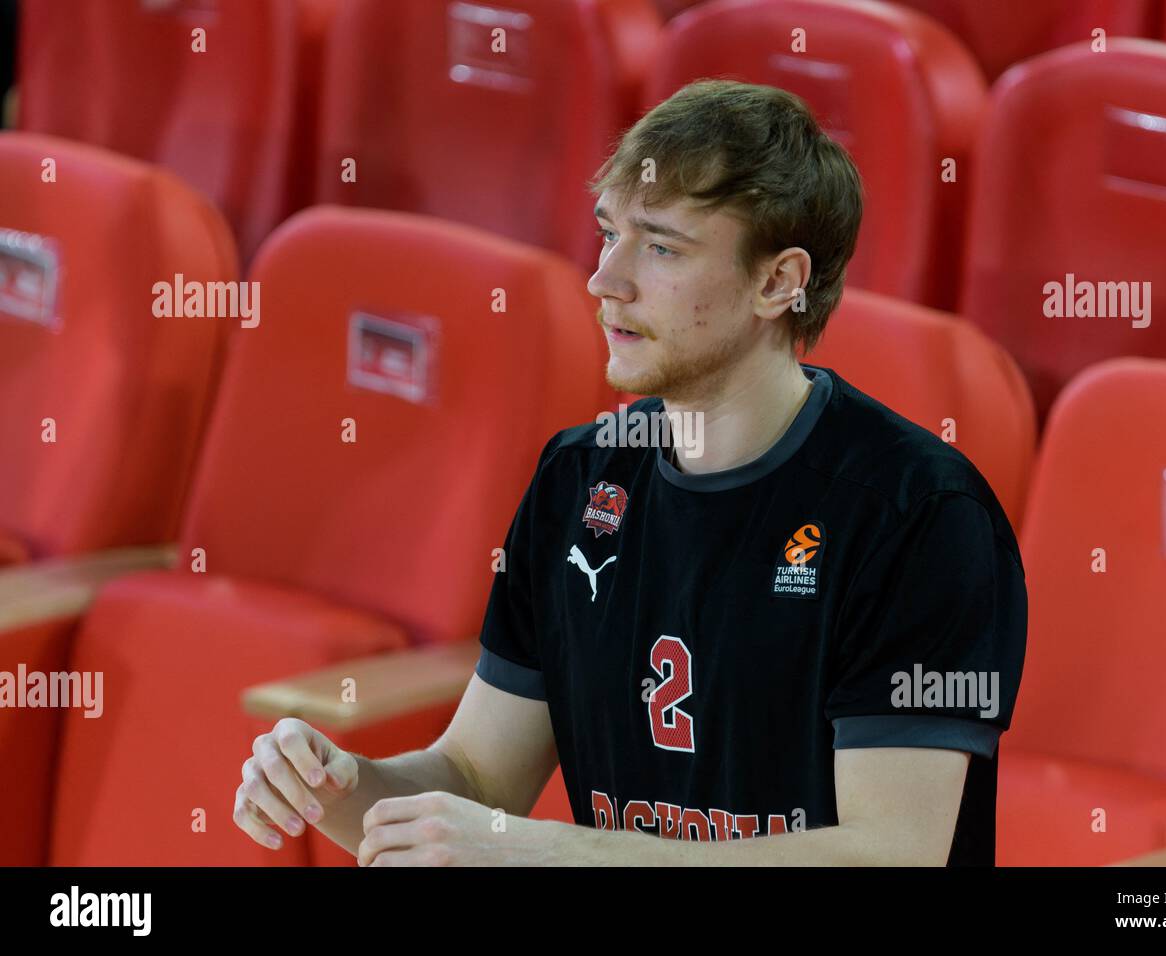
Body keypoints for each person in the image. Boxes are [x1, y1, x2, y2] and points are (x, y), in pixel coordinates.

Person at [233, 79, 1027, 866]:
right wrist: (340, 789)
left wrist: (551, 853)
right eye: (607, 233)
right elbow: (476, 778)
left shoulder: (919, 511)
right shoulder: (576, 479)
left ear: (778, 282)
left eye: (660, 247)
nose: (605, 279)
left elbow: (892, 855)